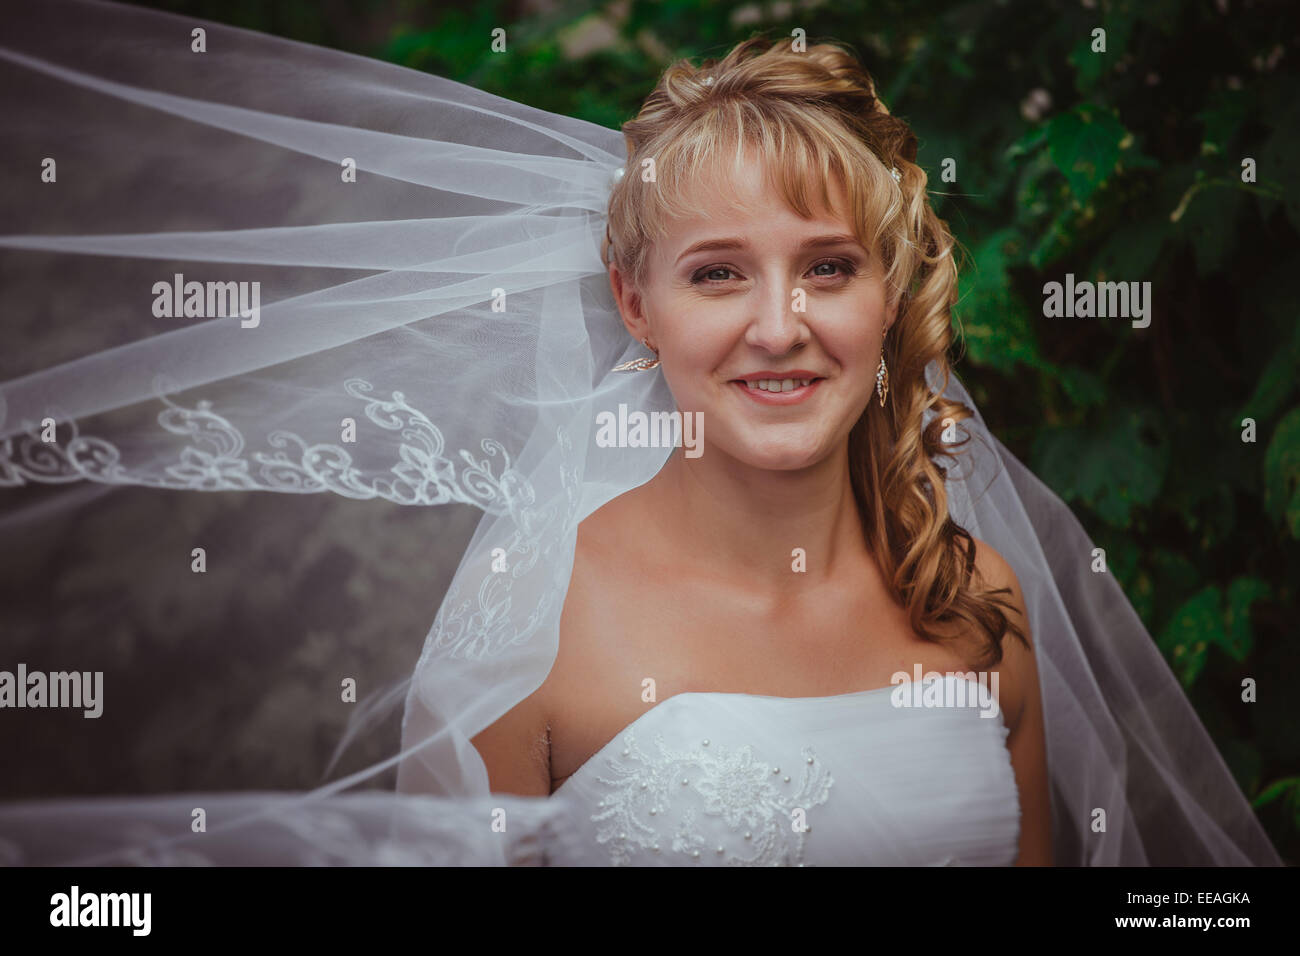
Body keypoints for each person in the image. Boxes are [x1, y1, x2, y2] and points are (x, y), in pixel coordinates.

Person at [0, 1, 1281, 866]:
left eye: (828, 267)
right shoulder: (531, 627)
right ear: (636, 304)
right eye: (718, 274)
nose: (780, 325)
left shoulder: (973, 595)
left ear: (890, 295)